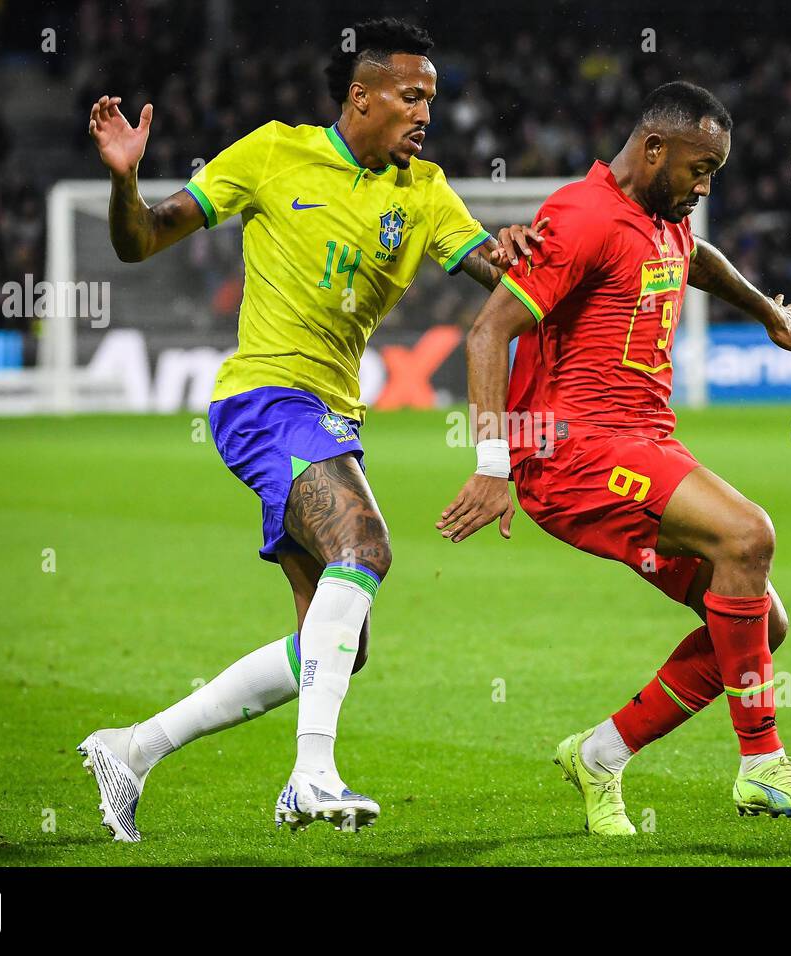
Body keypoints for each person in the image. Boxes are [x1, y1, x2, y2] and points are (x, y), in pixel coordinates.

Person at [77, 17, 546, 841]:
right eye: (411, 96)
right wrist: (125, 180)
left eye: (431, 98)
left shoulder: (424, 191)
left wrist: (514, 251)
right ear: (360, 97)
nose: (425, 113)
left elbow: (498, 276)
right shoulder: (271, 153)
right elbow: (141, 240)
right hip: (264, 398)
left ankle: (134, 749)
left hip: (332, 413)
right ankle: (310, 777)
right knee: (365, 547)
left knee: (335, 645)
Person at [438, 81, 791, 835]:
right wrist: (492, 464)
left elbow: (700, 258)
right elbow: (488, 333)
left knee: (758, 626)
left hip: (642, 445)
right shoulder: (582, 216)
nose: (704, 185)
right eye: (698, 169)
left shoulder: (664, 216)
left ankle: (600, 754)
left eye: (714, 171)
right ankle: (761, 765)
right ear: (654, 148)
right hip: (571, 450)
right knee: (750, 534)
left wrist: (765, 311)